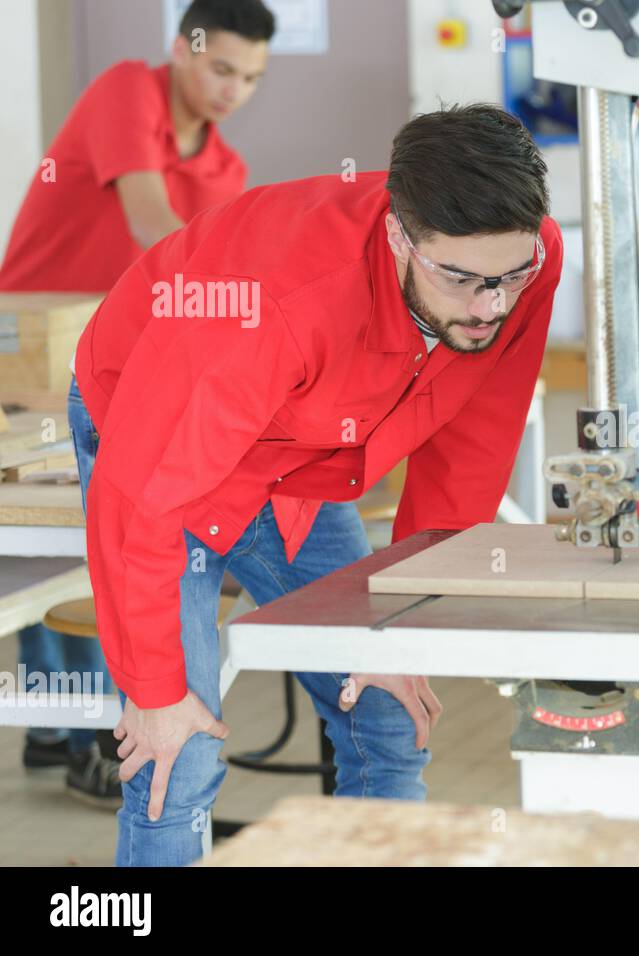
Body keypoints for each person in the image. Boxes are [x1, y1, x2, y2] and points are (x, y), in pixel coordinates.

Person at [72, 103, 562, 865]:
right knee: (177, 752)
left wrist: (408, 621)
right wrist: (156, 688)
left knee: (389, 710)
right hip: (160, 442)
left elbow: (472, 444)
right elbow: (143, 501)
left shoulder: (522, 260)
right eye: (462, 279)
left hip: (299, 456)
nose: (490, 305)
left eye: (509, 277)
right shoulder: (269, 307)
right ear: (401, 235)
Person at [0, 0, 275, 805]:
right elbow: (155, 226)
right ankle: (68, 729)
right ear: (181, 48)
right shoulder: (128, 90)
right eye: (221, 66)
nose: (232, 90)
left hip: (105, 355)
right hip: (28, 340)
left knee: (91, 527)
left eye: (251, 78)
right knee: (43, 539)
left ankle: (63, 734)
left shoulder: (225, 168)